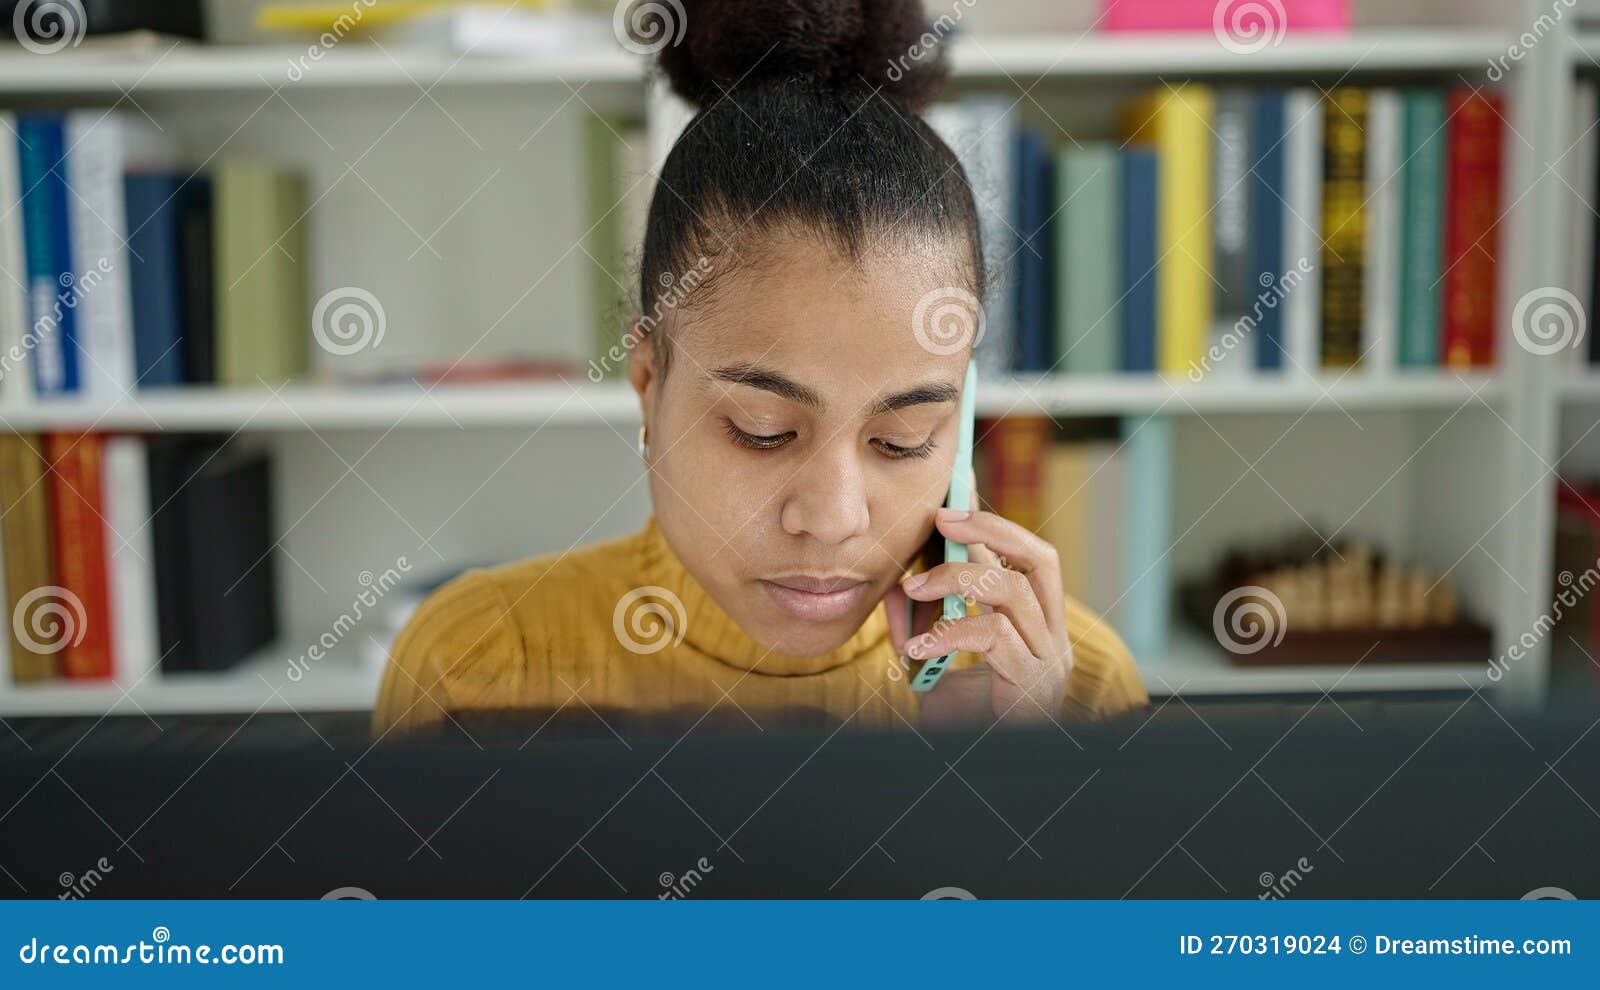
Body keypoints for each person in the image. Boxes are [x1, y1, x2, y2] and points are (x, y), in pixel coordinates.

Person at [373, 0, 1147, 738]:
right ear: (648, 382)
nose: (834, 518)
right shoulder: (477, 663)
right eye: (763, 431)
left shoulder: (1075, 687)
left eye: (904, 438)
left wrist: (1014, 773)